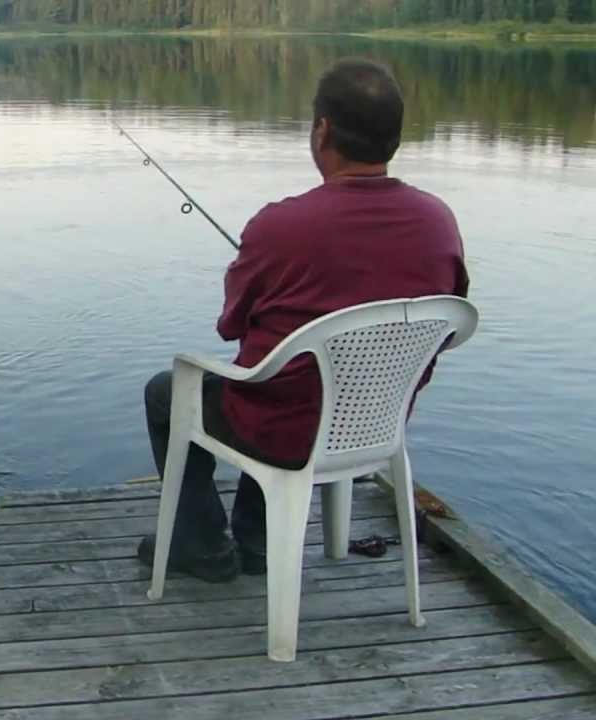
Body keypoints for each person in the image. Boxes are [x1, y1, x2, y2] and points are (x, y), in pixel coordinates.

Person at [138, 58, 470, 583]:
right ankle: (258, 542)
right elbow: (447, 324)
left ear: (323, 130)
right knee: (283, 378)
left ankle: (201, 546)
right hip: (375, 424)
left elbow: (232, 325)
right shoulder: (439, 221)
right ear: (395, 136)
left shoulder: (280, 226)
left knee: (169, 391)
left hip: (284, 429)